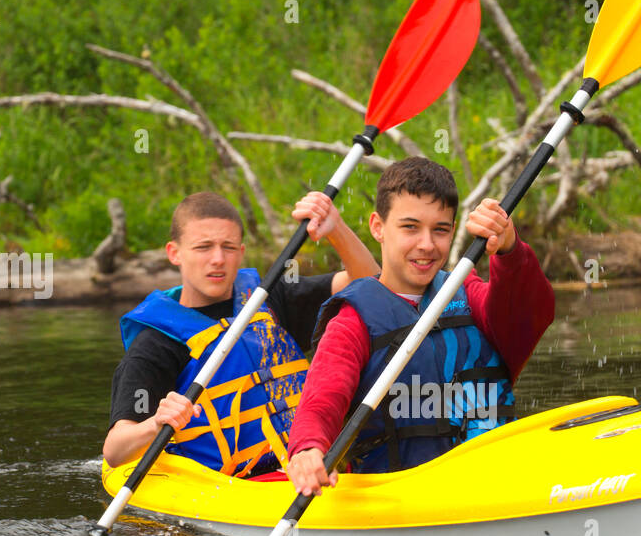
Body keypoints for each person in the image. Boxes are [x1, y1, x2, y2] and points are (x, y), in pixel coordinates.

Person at [286, 156, 554, 496]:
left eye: (440, 230)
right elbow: (323, 397)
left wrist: (511, 249)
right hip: (403, 498)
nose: (426, 244)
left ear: (453, 232)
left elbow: (530, 314)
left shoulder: (468, 294)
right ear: (378, 227)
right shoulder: (352, 322)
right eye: (410, 227)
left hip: (496, 483)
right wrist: (308, 447)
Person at [104, 190, 377, 476]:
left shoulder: (267, 299)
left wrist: (336, 229)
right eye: (203, 247)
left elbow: (369, 285)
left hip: (311, 464)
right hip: (234, 486)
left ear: (242, 253)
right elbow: (115, 450)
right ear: (174, 253)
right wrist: (157, 423)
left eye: (229, 247)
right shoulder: (156, 344)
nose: (218, 259)